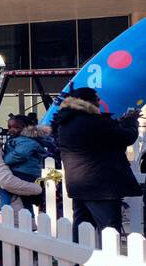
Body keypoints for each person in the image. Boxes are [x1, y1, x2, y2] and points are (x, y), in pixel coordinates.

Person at [50, 87, 139, 236]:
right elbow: (126, 137)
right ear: (87, 102)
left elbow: (101, 141)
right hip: (101, 187)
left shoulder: (66, 122)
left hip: (79, 186)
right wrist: (131, 122)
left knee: (82, 231)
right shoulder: (93, 121)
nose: (99, 102)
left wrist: (117, 124)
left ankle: (78, 259)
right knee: (110, 234)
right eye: (97, 99)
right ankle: (109, 260)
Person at [0, 113, 45, 208]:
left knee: (5, 188)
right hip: (24, 172)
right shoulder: (18, 138)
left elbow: (20, 153)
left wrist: (5, 160)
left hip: (23, 173)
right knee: (25, 200)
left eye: (16, 127)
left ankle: (3, 209)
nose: (11, 130)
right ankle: (30, 218)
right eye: (9, 127)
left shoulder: (26, 140)